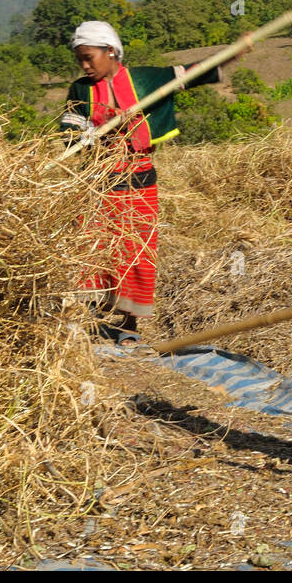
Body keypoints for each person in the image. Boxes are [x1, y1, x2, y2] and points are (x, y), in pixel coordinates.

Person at [62, 20, 220, 345]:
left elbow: (189, 74)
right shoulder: (81, 89)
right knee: (91, 249)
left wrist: (232, 54)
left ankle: (128, 325)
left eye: (90, 57)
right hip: (98, 181)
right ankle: (87, 318)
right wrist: (86, 136)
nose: (85, 65)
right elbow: (69, 132)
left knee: (136, 251)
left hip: (139, 179)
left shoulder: (144, 80)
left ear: (111, 51)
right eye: (80, 59)